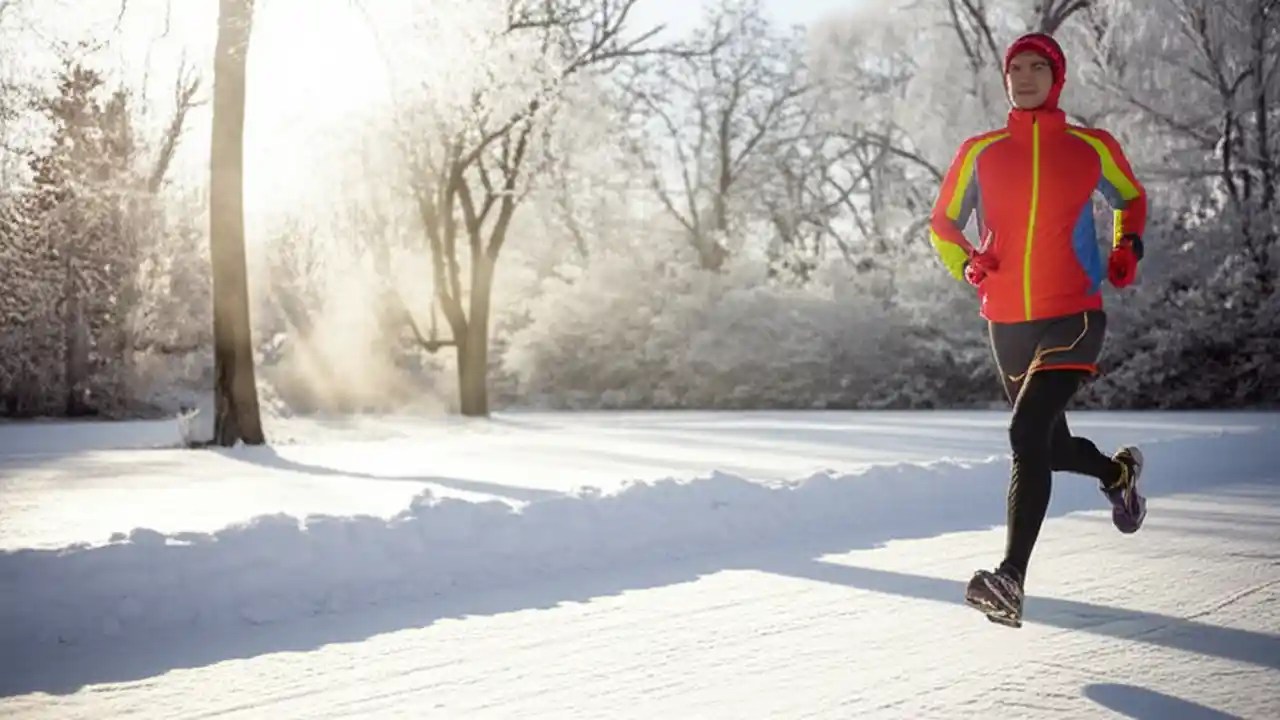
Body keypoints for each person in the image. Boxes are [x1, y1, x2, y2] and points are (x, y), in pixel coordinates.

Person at [927, 32, 1148, 628]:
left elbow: (1130, 196)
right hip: (1006, 323)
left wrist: (1128, 244)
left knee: (1024, 431)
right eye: (1014, 68)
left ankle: (1010, 580)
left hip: (1073, 313)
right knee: (1046, 447)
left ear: (1057, 79)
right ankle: (1118, 474)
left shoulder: (1089, 147)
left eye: (1036, 68)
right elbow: (943, 225)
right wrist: (968, 261)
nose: (1023, 77)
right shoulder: (981, 152)